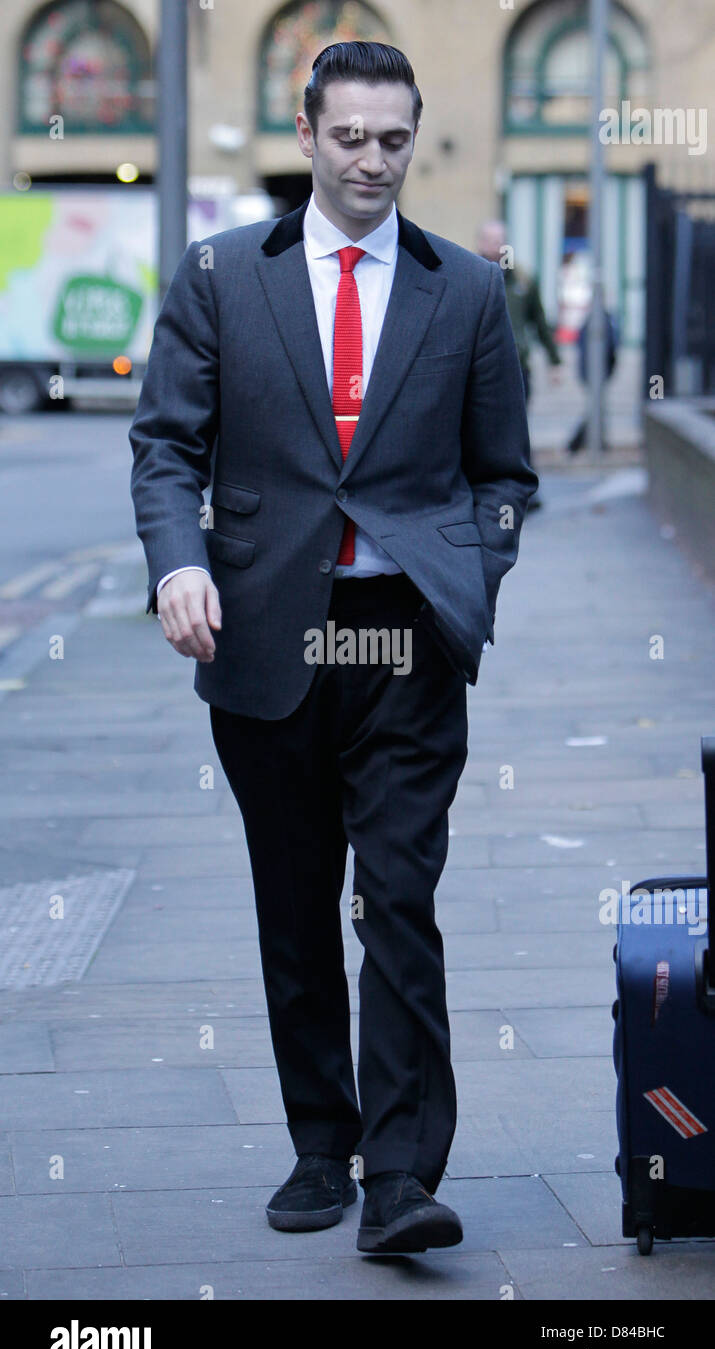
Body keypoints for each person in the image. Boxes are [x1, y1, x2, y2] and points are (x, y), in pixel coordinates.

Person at [130, 41, 537, 1257]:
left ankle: (402, 1174)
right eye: (349, 136)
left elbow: (505, 476)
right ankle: (324, 1143)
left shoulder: (462, 289)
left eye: (393, 138)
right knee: (296, 904)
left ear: (414, 139)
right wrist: (178, 561)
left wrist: (471, 570)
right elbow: (164, 446)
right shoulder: (219, 277)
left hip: (404, 637)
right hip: (266, 638)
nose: (372, 160)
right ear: (306, 134)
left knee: (398, 898)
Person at [477, 220, 560, 509]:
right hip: (478, 371)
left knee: (518, 428)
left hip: (517, 368)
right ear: (480, 242)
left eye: (500, 240)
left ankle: (526, 491)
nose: (496, 246)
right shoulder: (467, 275)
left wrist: (555, 361)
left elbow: (540, 321)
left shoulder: (523, 281)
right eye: (490, 240)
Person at [566, 306, 619, 453]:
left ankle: (593, 441)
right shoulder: (603, 321)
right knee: (596, 408)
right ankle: (576, 443)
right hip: (595, 372)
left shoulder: (589, 320)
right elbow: (612, 348)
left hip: (592, 372)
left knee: (597, 407)